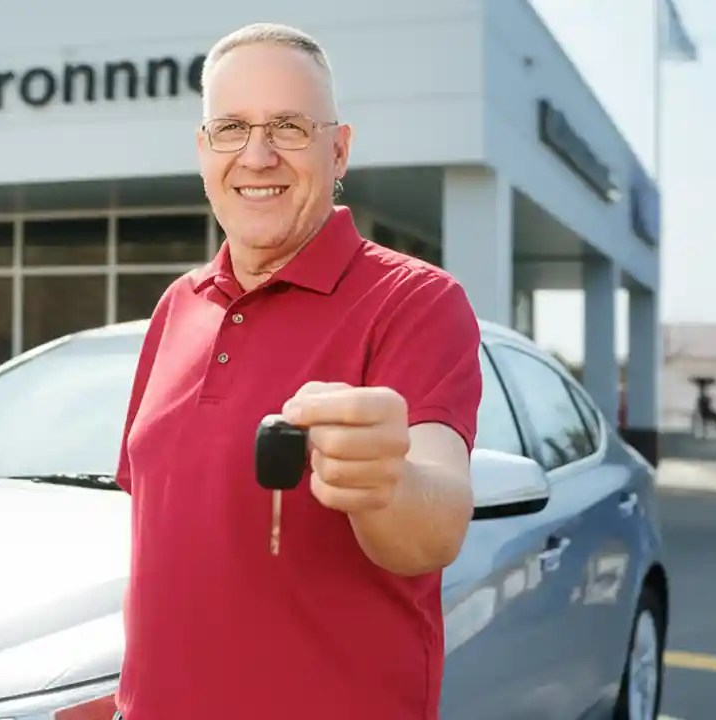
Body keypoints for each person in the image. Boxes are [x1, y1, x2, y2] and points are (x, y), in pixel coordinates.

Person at [111, 22, 483, 720]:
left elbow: (434, 529)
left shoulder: (416, 302)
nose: (256, 155)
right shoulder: (177, 307)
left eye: (287, 126)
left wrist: (387, 482)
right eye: (230, 128)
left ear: (337, 149)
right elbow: (161, 544)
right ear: (202, 151)